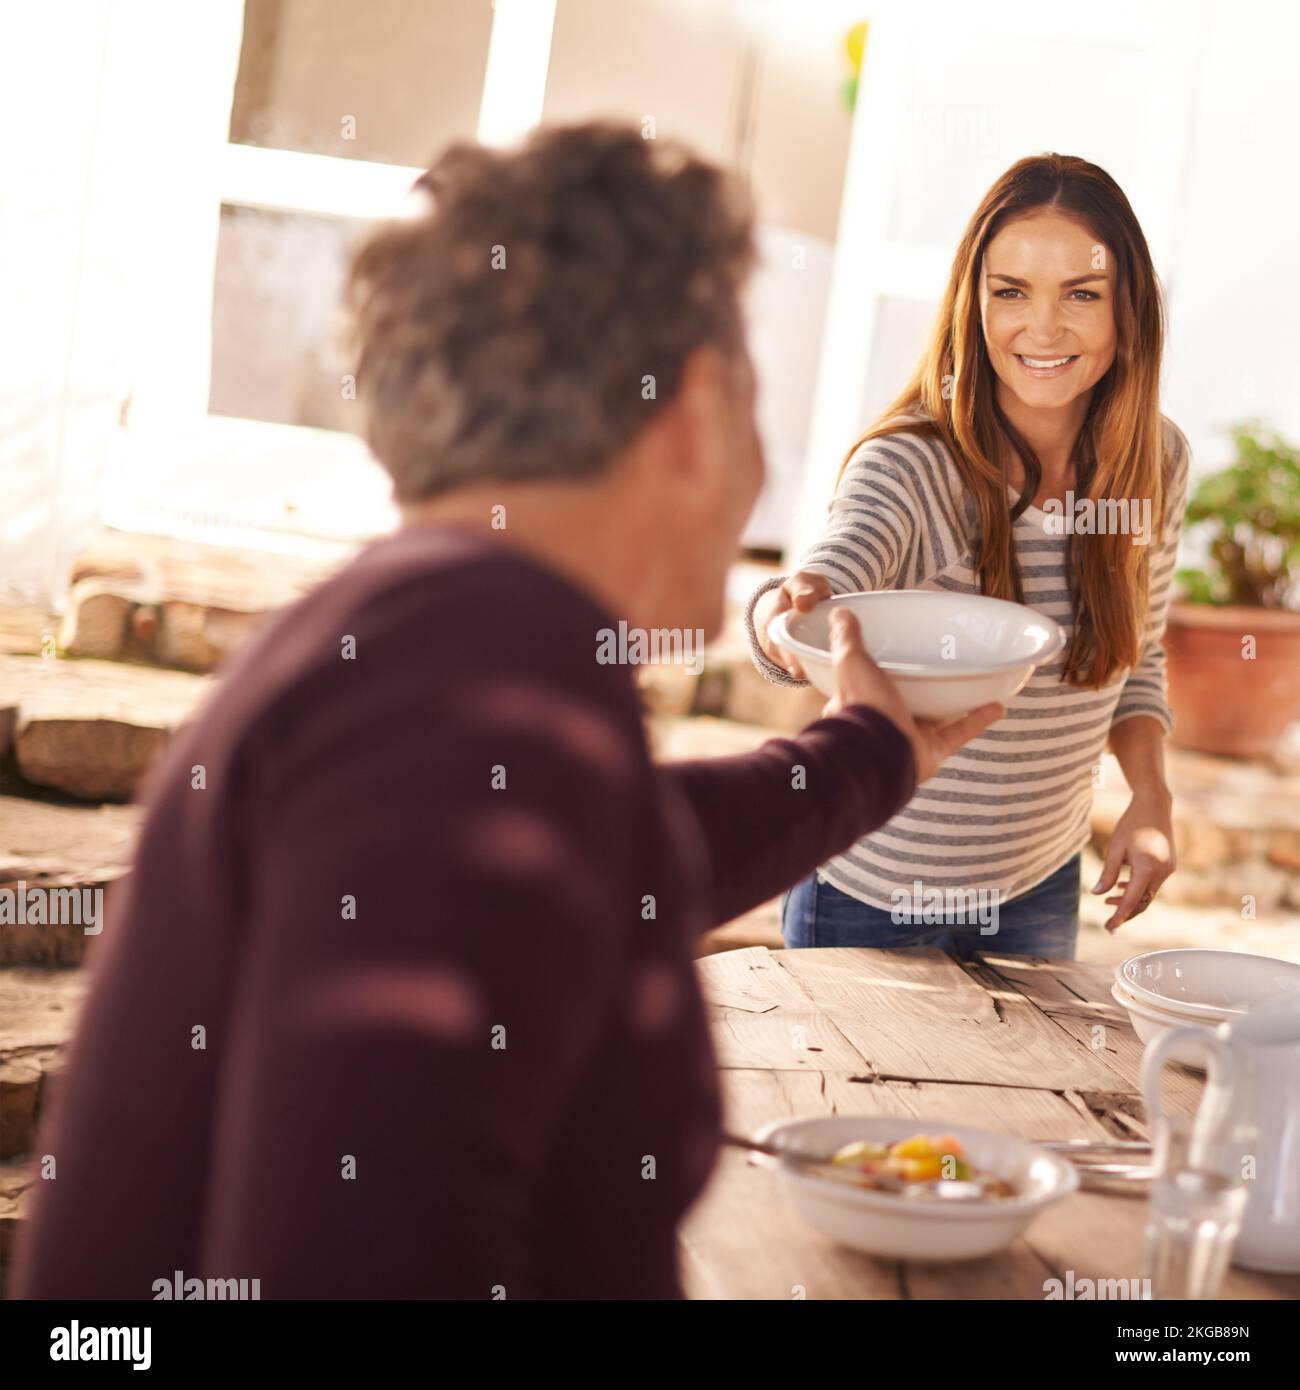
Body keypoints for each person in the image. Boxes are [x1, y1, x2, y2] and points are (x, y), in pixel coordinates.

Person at [14, 123, 999, 1301]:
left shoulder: (438, 646)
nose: (758, 471)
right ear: (689, 408)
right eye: (754, 408)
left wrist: (874, 749)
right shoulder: (486, 682)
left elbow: (611, 851)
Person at [750, 154, 1187, 959]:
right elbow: (832, 572)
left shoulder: (1153, 464)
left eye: (1081, 294)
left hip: (1036, 888)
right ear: (971, 302)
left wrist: (1151, 800)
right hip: (867, 893)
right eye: (1010, 291)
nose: (1043, 329)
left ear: (1129, 312)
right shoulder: (917, 462)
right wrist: (788, 609)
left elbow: (1141, 652)